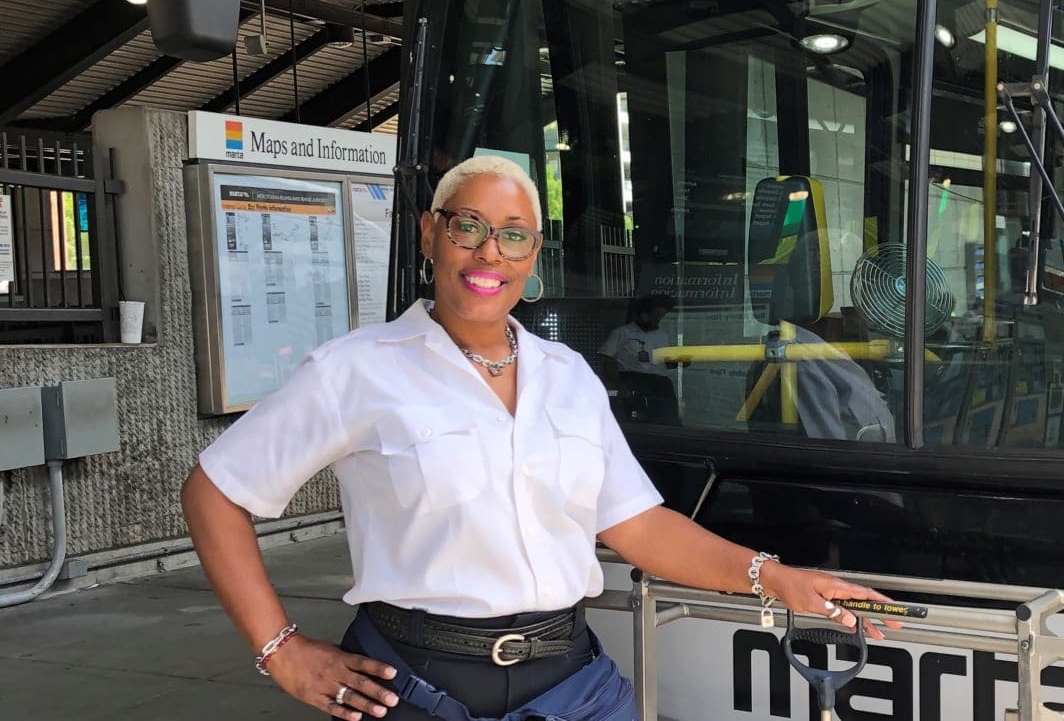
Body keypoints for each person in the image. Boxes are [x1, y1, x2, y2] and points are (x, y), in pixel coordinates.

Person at [181, 155, 894, 721]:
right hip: (416, 690)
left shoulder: (569, 376)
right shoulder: (354, 371)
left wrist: (777, 577)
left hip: (572, 690)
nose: (489, 251)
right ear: (431, 233)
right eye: (468, 225)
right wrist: (281, 650)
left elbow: (639, 526)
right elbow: (215, 491)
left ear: (533, 252)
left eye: (513, 233)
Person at [600, 294, 680, 425]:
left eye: (661, 316)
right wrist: (619, 385)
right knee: (639, 421)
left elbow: (664, 362)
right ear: (642, 314)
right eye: (655, 315)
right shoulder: (622, 333)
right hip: (634, 381)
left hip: (661, 383)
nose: (657, 320)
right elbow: (606, 358)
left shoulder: (662, 335)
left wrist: (677, 361)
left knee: (667, 421)